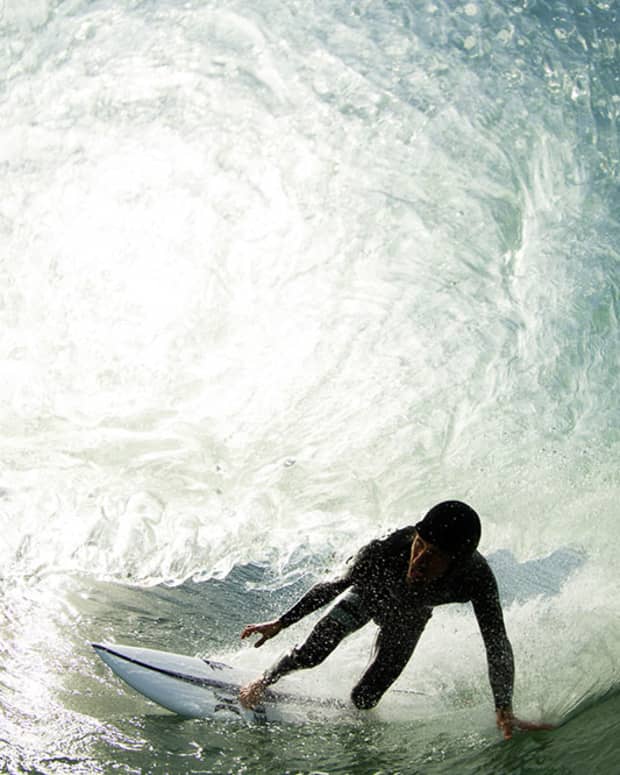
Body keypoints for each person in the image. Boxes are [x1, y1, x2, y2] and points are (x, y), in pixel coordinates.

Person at [239, 500, 553, 739]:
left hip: (409, 618)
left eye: (433, 555)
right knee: (311, 654)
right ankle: (264, 679)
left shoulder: (476, 579)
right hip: (369, 594)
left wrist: (503, 706)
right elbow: (334, 585)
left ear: (456, 563)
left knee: (364, 699)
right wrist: (281, 623)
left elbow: (496, 641)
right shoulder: (386, 549)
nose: (419, 560)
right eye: (420, 545)